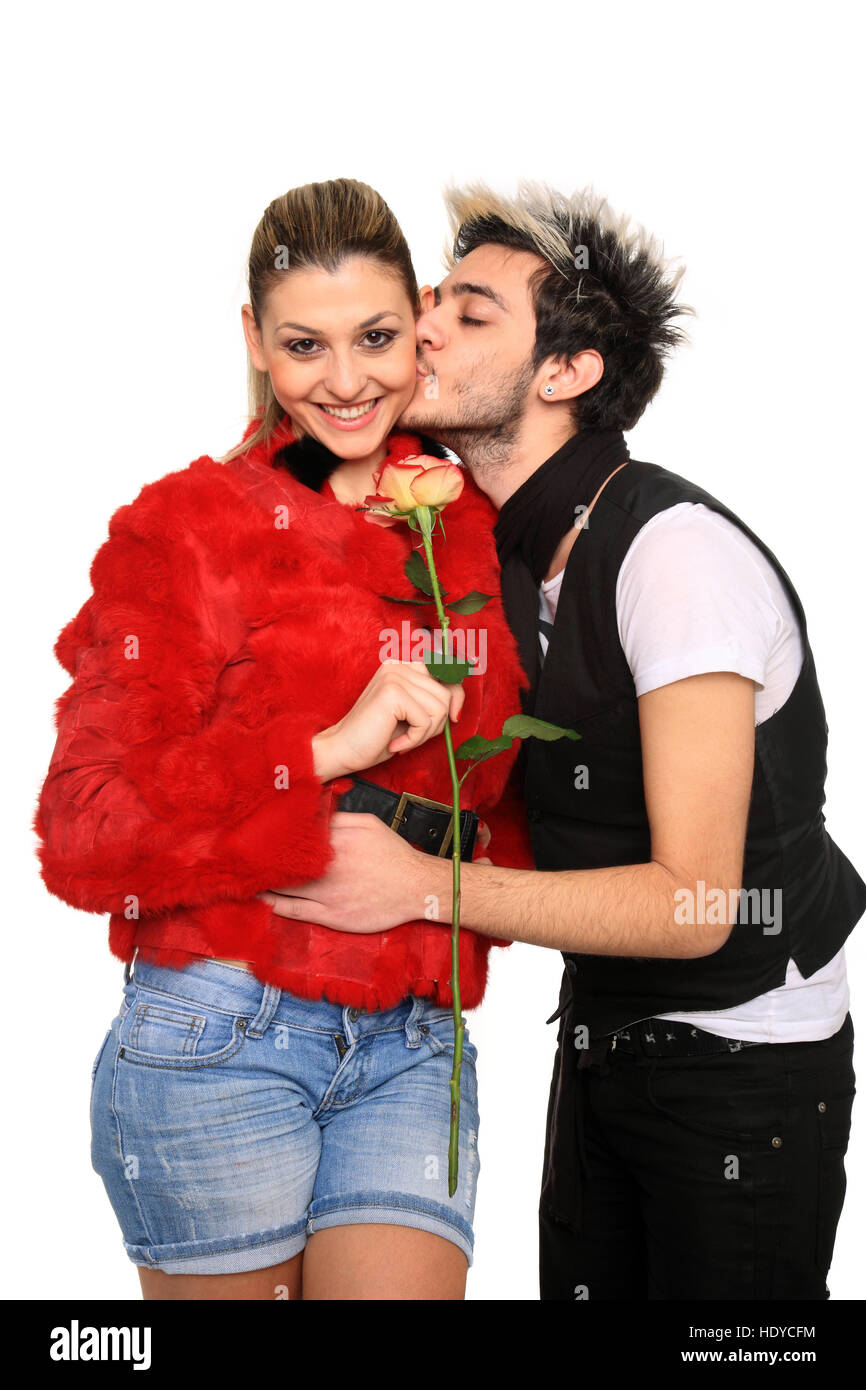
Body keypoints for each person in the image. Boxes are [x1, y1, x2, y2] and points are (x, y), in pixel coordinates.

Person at [272, 181, 866, 1300]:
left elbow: (694, 905)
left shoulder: (671, 554)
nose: (425, 327)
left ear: (566, 374)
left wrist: (419, 885)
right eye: (433, 300)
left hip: (744, 1064)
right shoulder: (474, 541)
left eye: (472, 314)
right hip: (601, 1038)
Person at [33, 178, 536, 1301]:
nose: (347, 381)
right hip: (222, 1023)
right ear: (254, 341)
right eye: (305, 344)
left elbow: (512, 799)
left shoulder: (480, 524)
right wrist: (323, 751)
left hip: (413, 1042)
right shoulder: (190, 526)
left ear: (422, 325)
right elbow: (84, 833)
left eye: (375, 337)